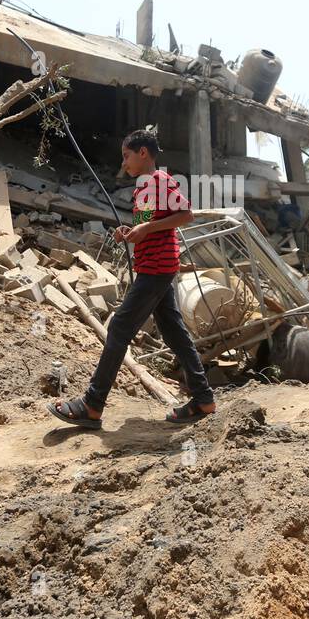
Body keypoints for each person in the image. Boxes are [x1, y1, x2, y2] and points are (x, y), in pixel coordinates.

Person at [46, 129, 216, 429]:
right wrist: (129, 232)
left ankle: (92, 404)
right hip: (154, 267)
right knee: (174, 331)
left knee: (120, 328)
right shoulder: (143, 189)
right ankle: (203, 399)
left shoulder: (160, 181)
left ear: (143, 153)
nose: (123, 163)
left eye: (126, 156)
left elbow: (186, 214)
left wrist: (145, 231)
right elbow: (146, 227)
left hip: (157, 269)